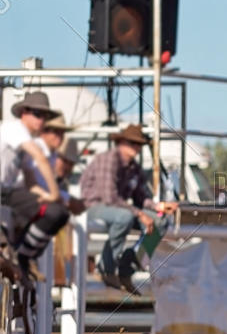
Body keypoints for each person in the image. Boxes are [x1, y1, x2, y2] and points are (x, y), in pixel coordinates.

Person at [79, 123, 160, 294]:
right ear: (121, 142)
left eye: (138, 144)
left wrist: (158, 206)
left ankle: (128, 266)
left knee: (161, 220)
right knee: (124, 217)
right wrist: (140, 213)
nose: (136, 147)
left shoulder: (133, 167)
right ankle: (106, 268)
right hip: (93, 206)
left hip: (115, 207)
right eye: (132, 143)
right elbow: (109, 197)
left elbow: (140, 196)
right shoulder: (108, 160)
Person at [0, 89, 70, 278]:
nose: (41, 120)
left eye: (45, 116)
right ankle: (16, 255)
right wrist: (54, 193)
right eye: (38, 114)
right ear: (24, 113)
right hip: (4, 193)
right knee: (52, 210)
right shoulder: (14, 129)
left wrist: (45, 196)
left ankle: (23, 256)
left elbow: (30, 179)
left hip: (6, 193)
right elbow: (39, 157)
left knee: (57, 213)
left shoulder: (24, 140)